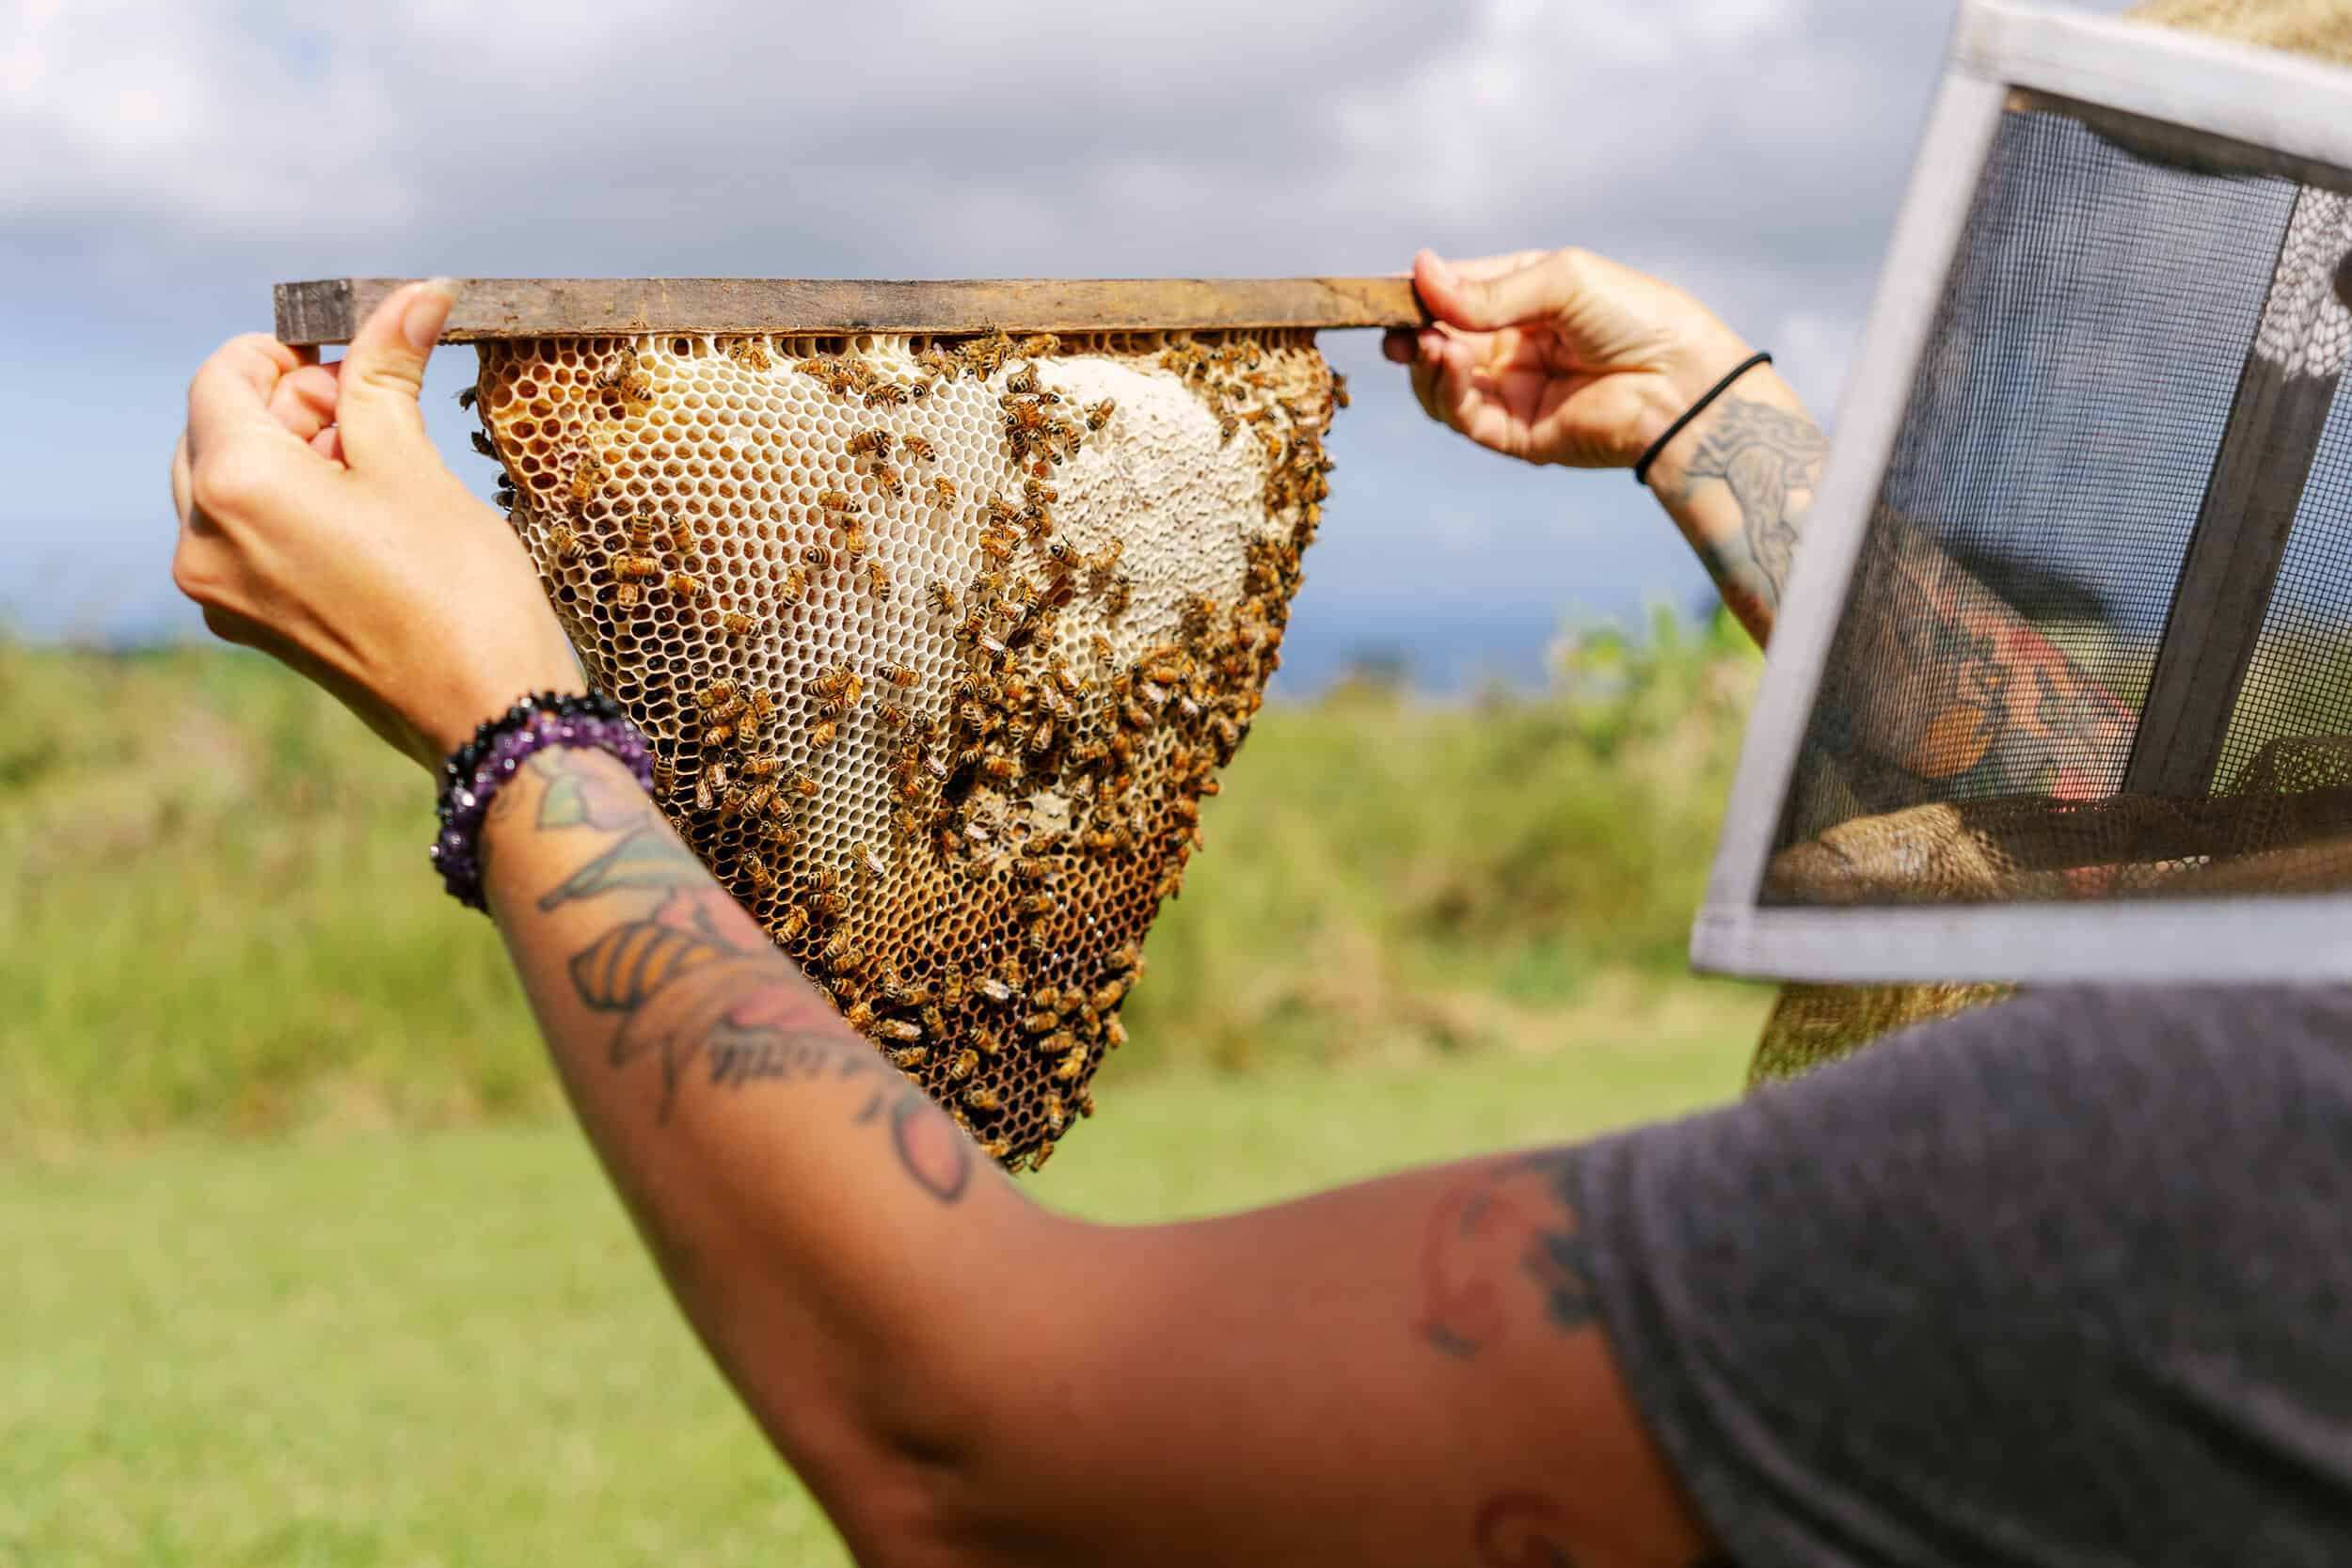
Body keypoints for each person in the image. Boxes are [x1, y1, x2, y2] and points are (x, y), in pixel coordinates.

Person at [170, 241, 2352, 1567]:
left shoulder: (2220, 1174)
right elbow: (2117, 834)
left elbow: (1000, 1459)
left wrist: (509, 732)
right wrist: (1707, 417)